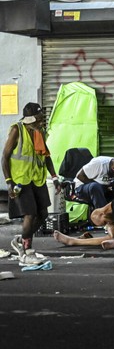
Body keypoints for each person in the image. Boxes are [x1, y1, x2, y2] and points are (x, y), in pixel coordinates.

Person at [2, 102, 60, 265]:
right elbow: (4, 157)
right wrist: (9, 182)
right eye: (39, 119)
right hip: (20, 181)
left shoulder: (38, 132)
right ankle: (27, 252)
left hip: (37, 179)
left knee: (43, 214)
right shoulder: (16, 130)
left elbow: (46, 156)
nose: (42, 122)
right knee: (30, 214)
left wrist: (55, 178)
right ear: (30, 119)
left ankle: (21, 239)